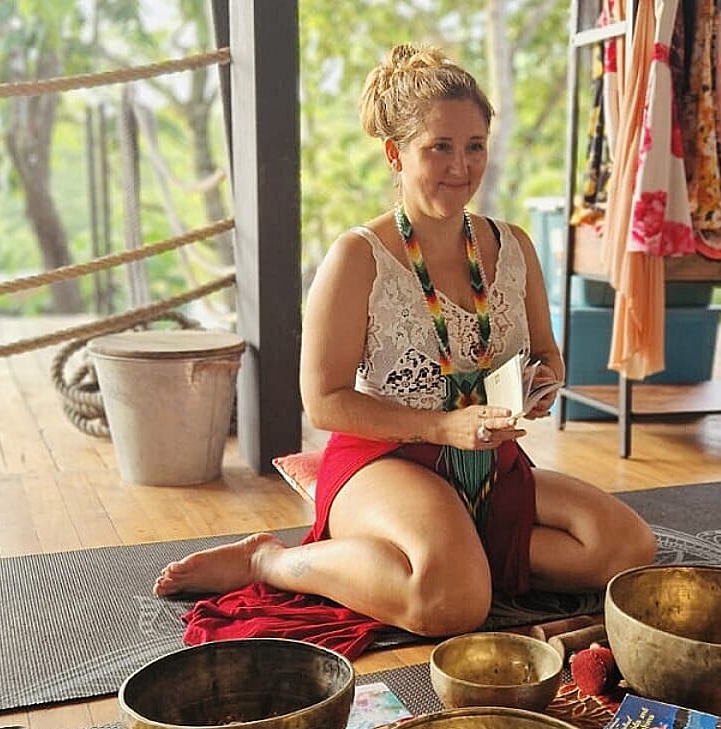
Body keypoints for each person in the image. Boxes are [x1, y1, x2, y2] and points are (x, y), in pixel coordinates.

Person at [154, 43, 656, 640]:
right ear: (396, 153)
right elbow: (324, 402)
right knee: (452, 603)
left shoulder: (514, 247)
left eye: (474, 147)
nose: (460, 166)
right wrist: (445, 428)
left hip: (487, 465)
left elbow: (547, 354)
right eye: (439, 147)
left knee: (627, 549)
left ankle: (458, 546)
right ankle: (270, 559)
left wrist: (542, 384)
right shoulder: (356, 257)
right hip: (382, 460)